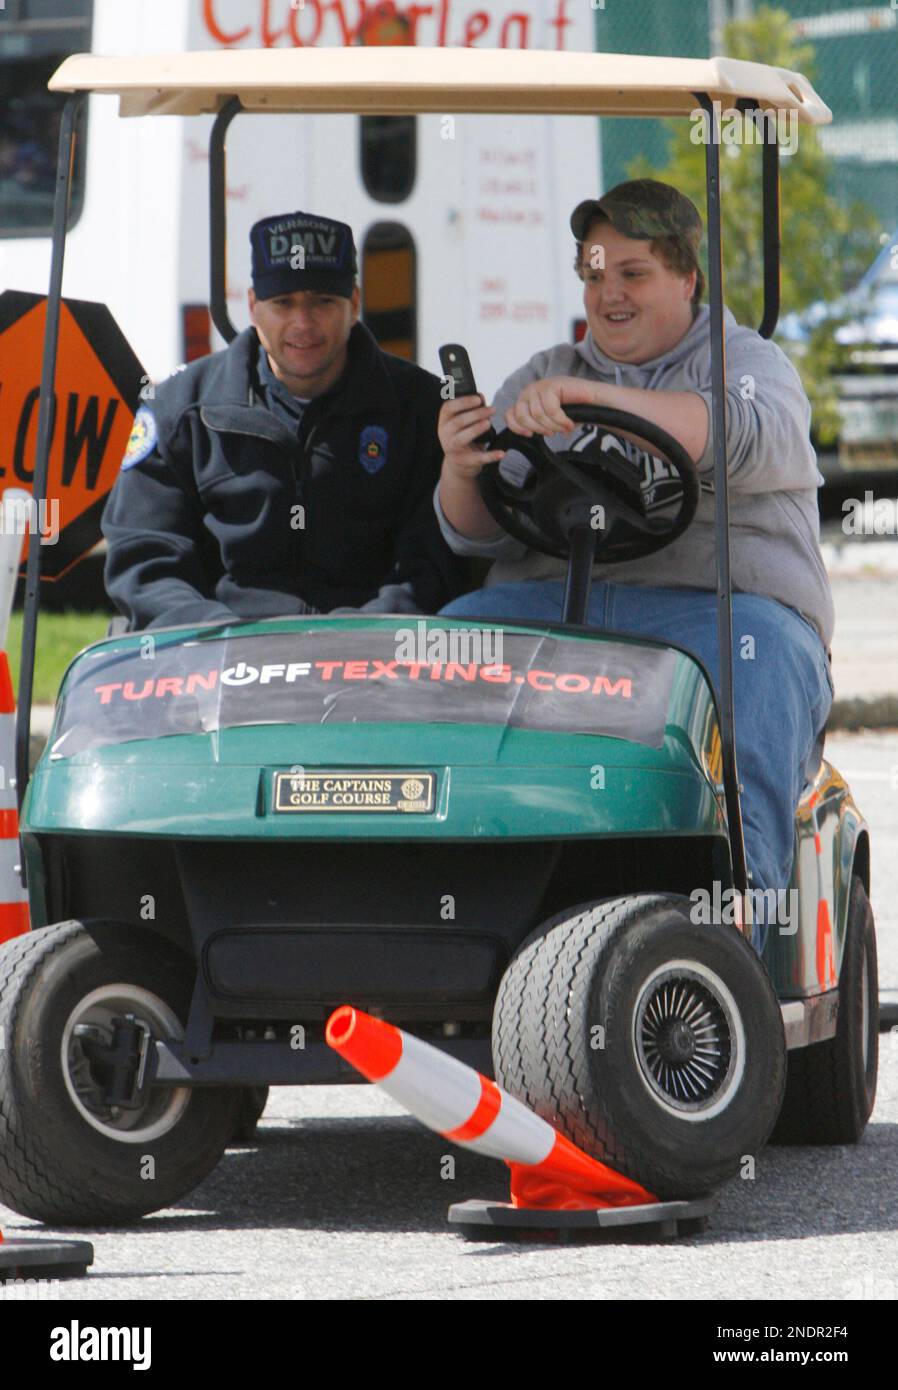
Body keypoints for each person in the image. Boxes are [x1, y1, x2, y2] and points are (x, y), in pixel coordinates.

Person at [434, 179, 835, 946]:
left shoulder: (747, 363)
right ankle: (448, 909)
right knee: (448, 640)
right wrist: (460, 465)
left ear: (688, 278)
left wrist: (589, 397)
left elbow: (729, 434)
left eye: (633, 273)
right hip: (564, 604)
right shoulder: (545, 370)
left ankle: (737, 930)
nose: (608, 294)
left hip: (720, 612)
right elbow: (477, 534)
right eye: (593, 275)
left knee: (758, 661)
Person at [102, 210, 465, 631]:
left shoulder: (420, 408)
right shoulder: (183, 410)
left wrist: (351, 636)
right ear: (254, 307)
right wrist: (221, 635)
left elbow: (434, 563)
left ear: (354, 304)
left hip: (374, 657)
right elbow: (144, 556)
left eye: (322, 301)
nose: (303, 323)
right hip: (216, 657)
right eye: (283, 303)